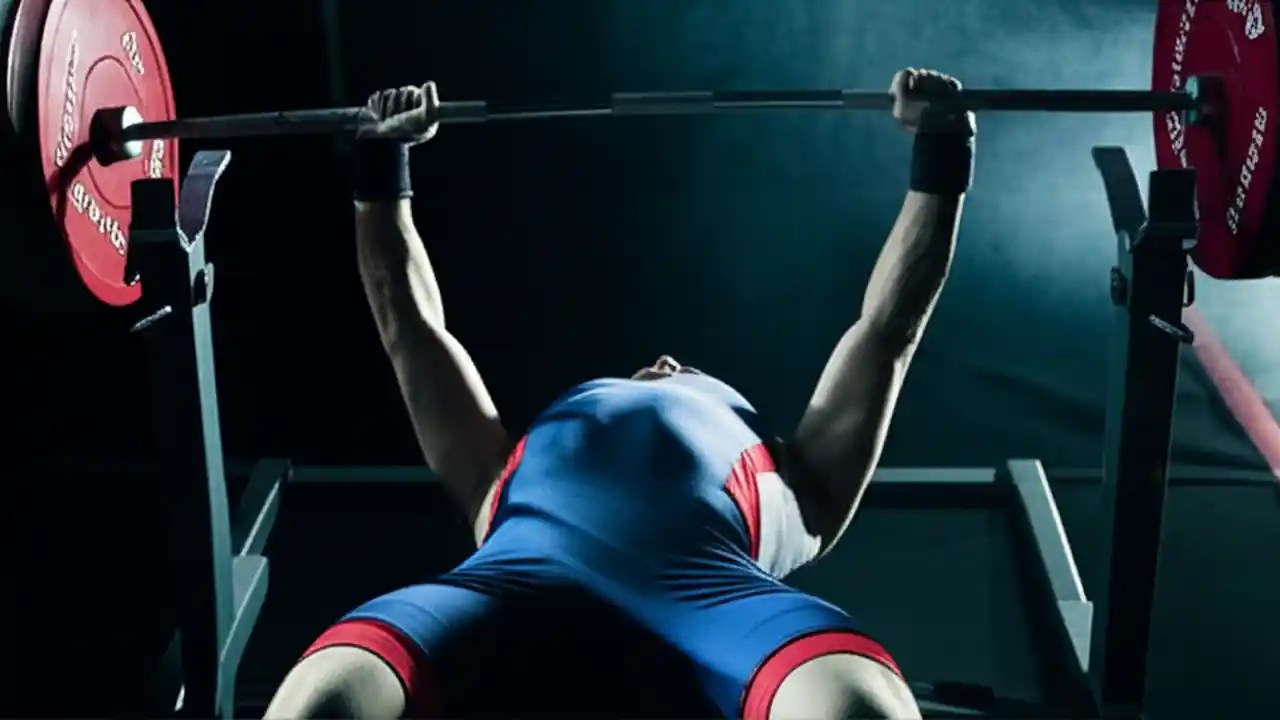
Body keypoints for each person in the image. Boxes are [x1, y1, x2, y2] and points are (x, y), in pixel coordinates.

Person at [266, 68, 973, 719]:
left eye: (681, 369)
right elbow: (410, 328)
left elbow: (887, 330)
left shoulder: (801, 482)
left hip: (715, 601)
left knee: (863, 709)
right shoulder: (497, 470)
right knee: (320, 702)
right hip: (509, 583)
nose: (662, 360)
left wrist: (941, 155)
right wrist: (382, 157)